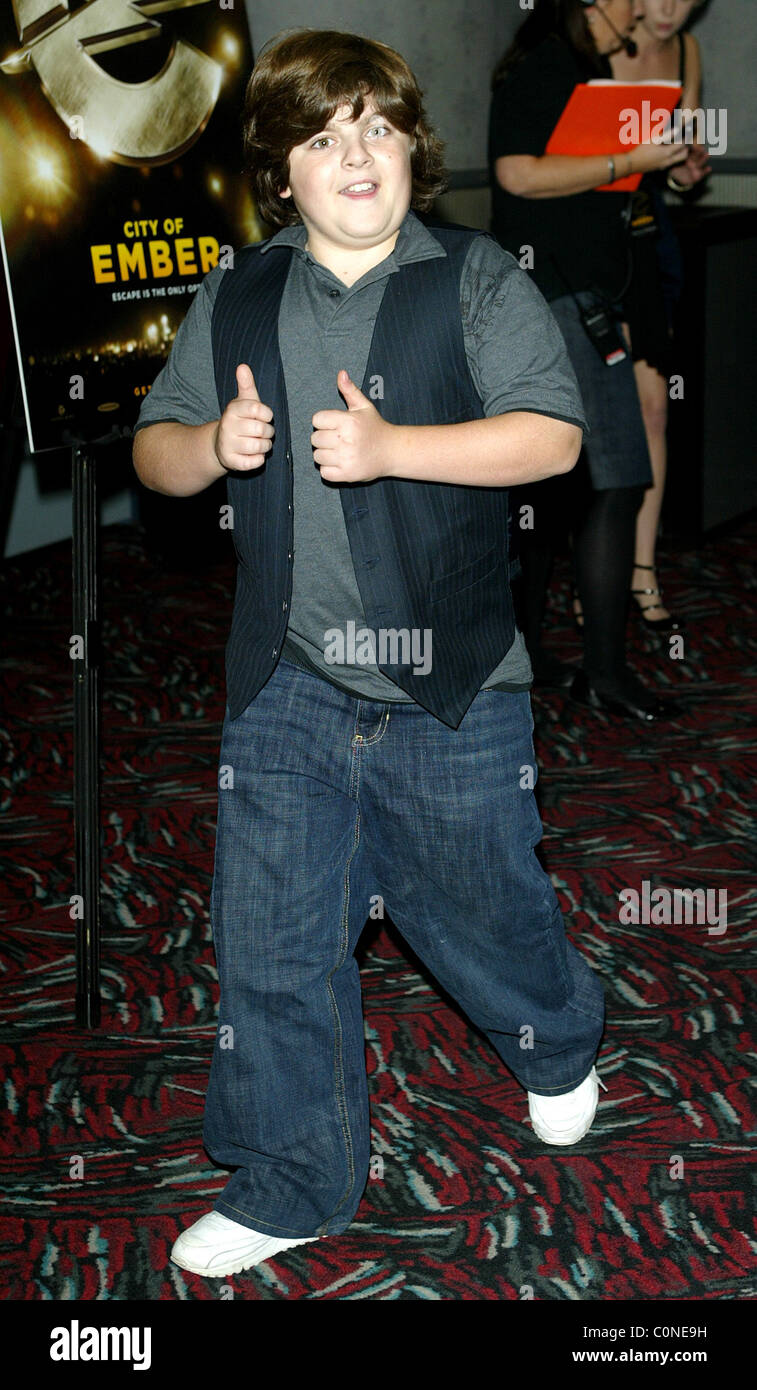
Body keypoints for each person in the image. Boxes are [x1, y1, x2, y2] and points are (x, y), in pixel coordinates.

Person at [133, 28, 607, 1279]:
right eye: (323, 135)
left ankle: (557, 1040)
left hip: (450, 684)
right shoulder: (238, 292)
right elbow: (153, 449)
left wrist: (396, 446)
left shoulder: (475, 279)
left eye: (379, 131)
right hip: (286, 680)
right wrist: (211, 448)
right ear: (281, 171)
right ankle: (293, 1177)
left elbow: (553, 439)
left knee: (480, 914)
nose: (356, 154)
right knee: (273, 941)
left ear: (412, 153)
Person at [489, 0, 689, 720]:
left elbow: (600, 183)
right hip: (553, 296)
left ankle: (526, 650)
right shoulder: (544, 65)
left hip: (588, 290)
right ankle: (604, 672)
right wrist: (628, 159)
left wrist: (660, 165)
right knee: (618, 477)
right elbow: (514, 174)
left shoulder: (590, 70)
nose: (639, 7)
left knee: (550, 485)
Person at [612, 0, 710, 631]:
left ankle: (641, 568)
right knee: (601, 416)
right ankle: (598, 570)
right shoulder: (597, 43)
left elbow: (680, 165)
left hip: (651, 235)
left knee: (652, 409)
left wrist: (685, 172)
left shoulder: (688, 52)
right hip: (593, 240)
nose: (674, 6)